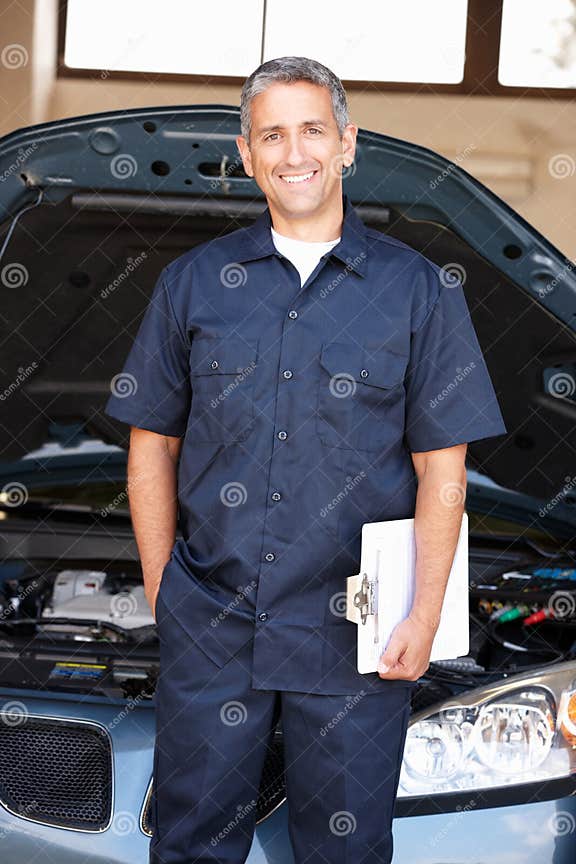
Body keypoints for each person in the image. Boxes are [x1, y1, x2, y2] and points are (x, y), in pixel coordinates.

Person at [105, 56, 507, 864]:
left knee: (347, 852)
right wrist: (163, 591)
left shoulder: (417, 290)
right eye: (272, 136)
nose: (295, 154)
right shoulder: (194, 285)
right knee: (189, 846)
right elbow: (152, 443)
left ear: (349, 143)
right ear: (247, 155)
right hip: (214, 622)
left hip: (358, 633)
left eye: (313, 130)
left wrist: (424, 615)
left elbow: (445, 472)